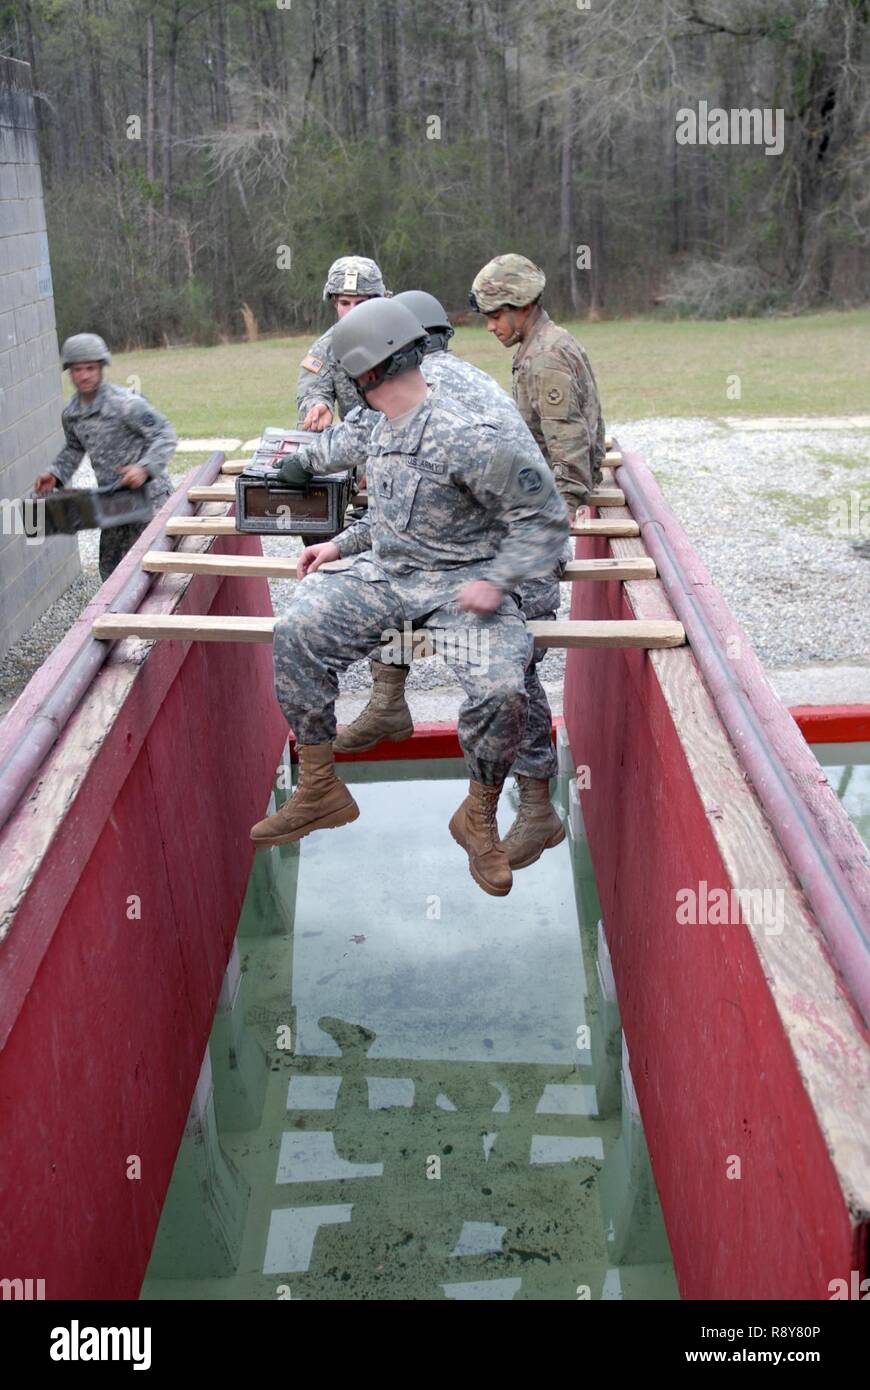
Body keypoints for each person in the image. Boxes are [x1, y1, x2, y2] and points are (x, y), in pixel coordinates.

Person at [250, 298, 569, 898]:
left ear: (363, 378)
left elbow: (548, 520)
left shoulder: (470, 437)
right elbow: (403, 512)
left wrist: (498, 579)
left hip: (461, 586)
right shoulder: (382, 423)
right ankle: (319, 787)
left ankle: (477, 814)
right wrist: (342, 544)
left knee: (502, 687)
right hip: (390, 574)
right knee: (297, 630)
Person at [469, 254, 606, 514]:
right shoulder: (544, 343)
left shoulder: (546, 357)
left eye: (496, 316)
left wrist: (560, 508)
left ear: (523, 306)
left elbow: (567, 438)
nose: (490, 326)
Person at [33, 333, 176, 581]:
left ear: (101, 368)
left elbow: (165, 434)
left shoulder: (126, 405)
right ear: (69, 372)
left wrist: (143, 468)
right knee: (112, 573)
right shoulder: (72, 414)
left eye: (90, 368)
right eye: (77, 369)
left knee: (158, 571)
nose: (84, 375)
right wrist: (56, 474)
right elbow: (75, 448)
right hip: (114, 501)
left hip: (151, 499)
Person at [296, 255, 387, 431]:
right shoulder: (326, 347)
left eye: (360, 303)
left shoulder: (403, 333)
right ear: (334, 303)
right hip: (359, 443)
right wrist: (317, 406)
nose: (352, 311)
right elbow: (312, 389)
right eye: (345, 303)